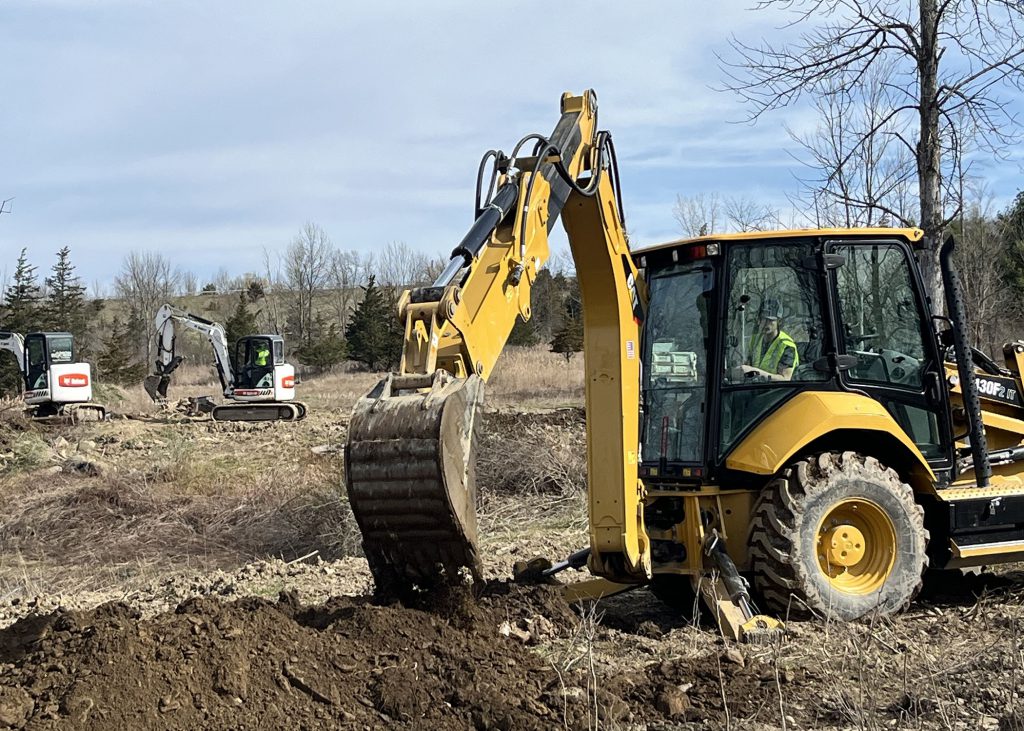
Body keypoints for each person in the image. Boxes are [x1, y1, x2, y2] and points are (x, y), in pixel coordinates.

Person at [745, 297, 798, 381]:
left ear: (779, 321)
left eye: (770, 320)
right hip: (755, 389)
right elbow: (748, 365)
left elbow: (785, 379)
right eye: (763, 319)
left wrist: (755, 372)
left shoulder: (787, 345)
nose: (766, 323)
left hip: (777, 392)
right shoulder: (754, 340)